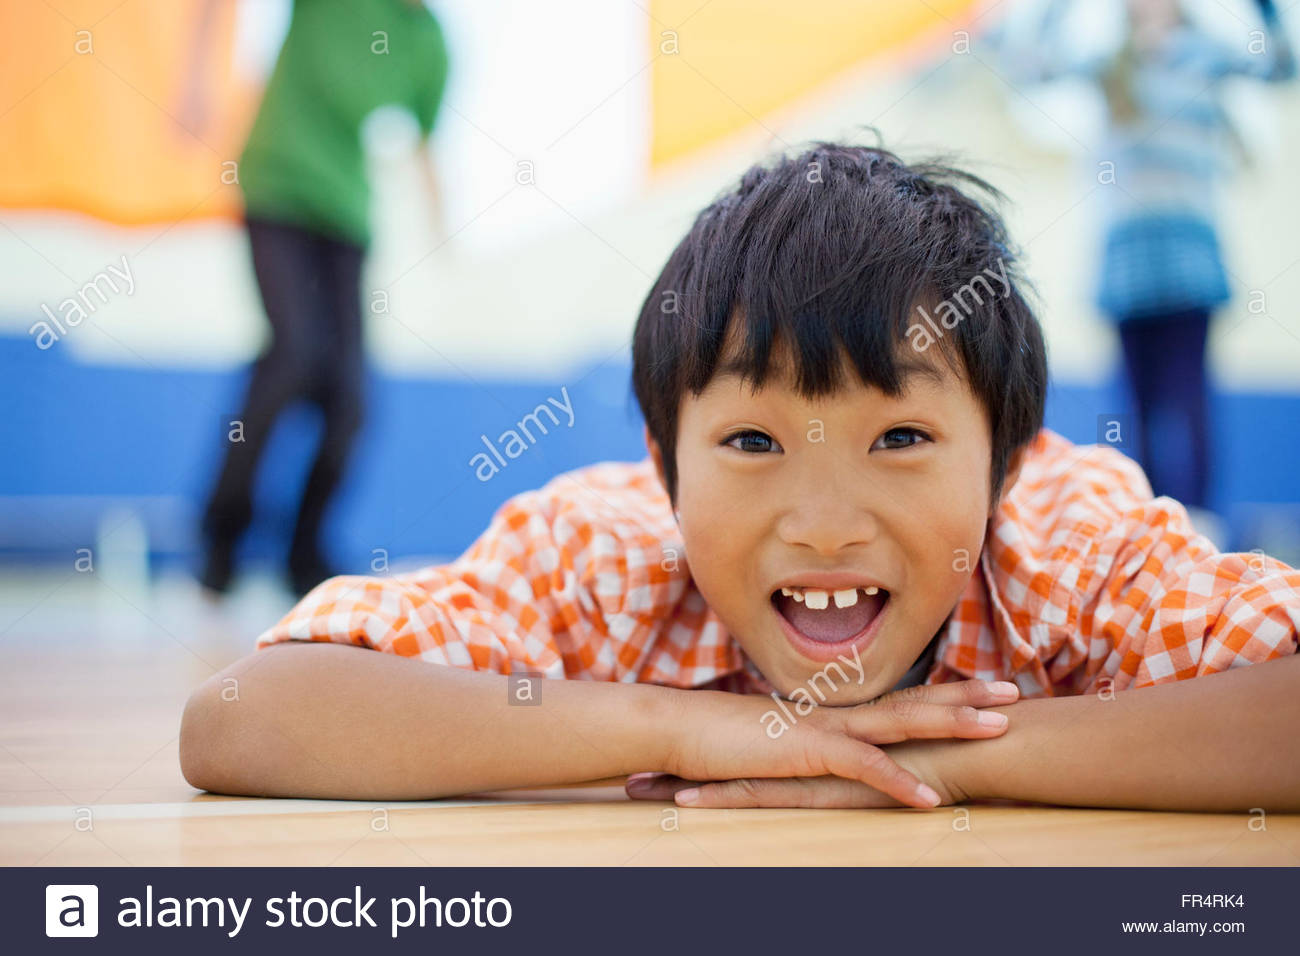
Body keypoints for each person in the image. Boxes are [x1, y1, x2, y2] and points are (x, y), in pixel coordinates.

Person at [180, 143, 1300, 812]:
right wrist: (684, 727)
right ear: (662, 466)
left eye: (900, 438)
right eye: (753, 444)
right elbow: (239, 718)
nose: (821, 526)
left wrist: (937, 760)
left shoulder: (1063, 538)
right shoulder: (607, 550)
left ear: (1007, 460)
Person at [1009, 0, 1295, 541]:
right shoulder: (1107, 66)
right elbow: (1032, 66)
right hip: (1126, 260)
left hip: (1189, 251)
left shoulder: (1207, 57)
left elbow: (1281, 66)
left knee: (1187, 393)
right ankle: (1151, 526)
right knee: (1136, 403)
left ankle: (1202, 522)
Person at [198, 0, 450, 596]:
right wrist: (194, 78)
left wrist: (449, 234)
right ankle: (222, 537)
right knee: (294, 357)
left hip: (346, 220)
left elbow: (424, 141)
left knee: (351, 400)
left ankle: (303, 552)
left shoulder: (429, 42)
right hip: (278, 190)